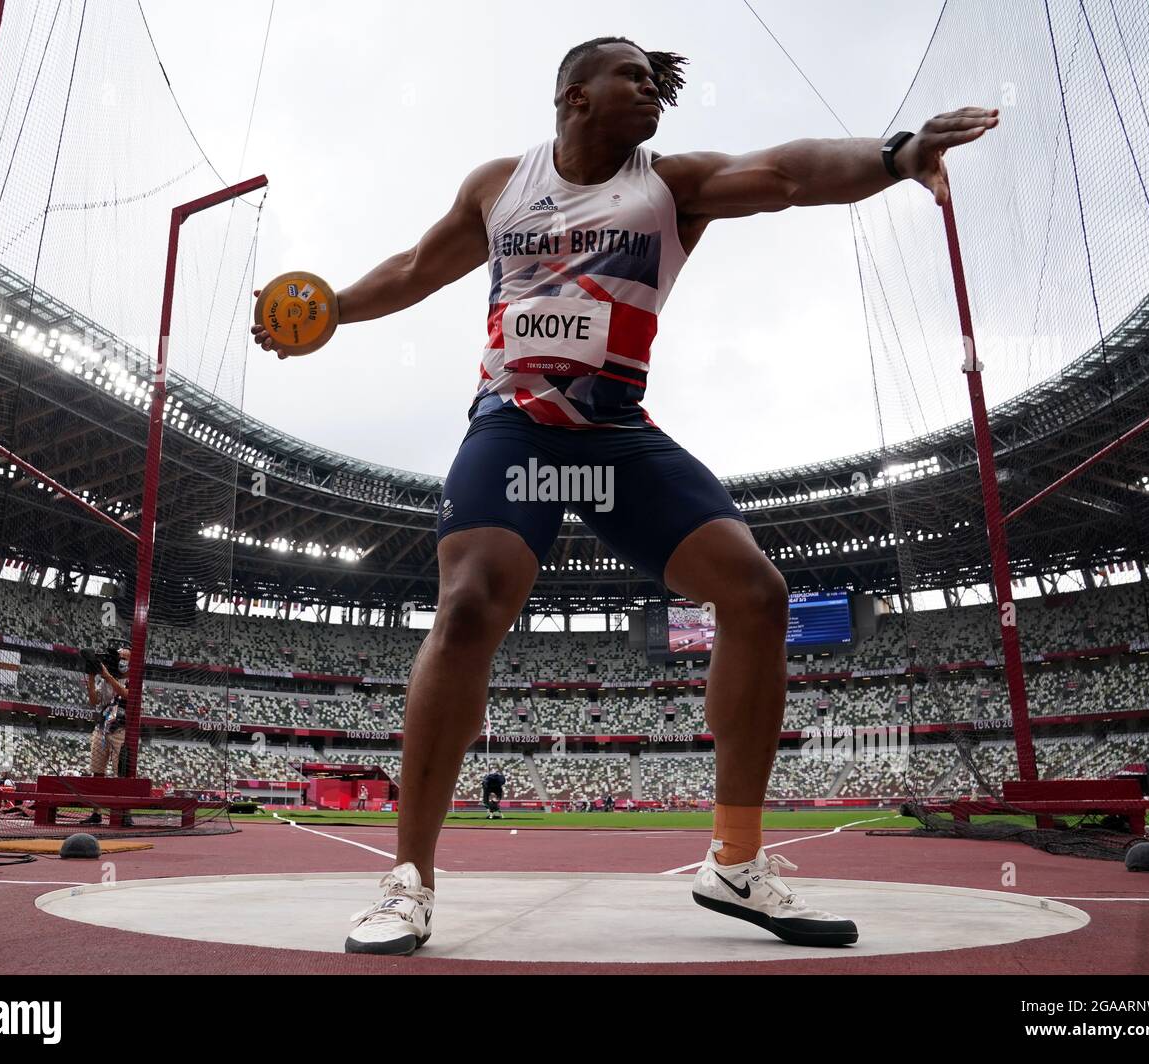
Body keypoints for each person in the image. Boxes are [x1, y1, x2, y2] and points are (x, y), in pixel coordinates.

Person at [254, 36, 996, 956]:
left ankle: (733, 862)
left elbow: (785, 174)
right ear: (574, 95)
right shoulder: (499, 184)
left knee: (758, 594)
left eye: (656, 82)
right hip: (514, 431)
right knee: (469, 605)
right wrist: (332, 309)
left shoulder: (668, 185)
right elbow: (414, 268)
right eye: (633, 79)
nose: (652, 94)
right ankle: (408, 881)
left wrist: (895, 156)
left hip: (613, 437)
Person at [81, 646, 133, 827]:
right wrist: (91, 675)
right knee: (97, 771)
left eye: (125, 658)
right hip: (102, 728)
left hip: (122, 731)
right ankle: (96, 812)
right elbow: (94, 701)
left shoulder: (135, 680)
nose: (121, 661)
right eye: (120, 657)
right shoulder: (105, 679)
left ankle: (123, 812)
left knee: (121, 773)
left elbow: (127, 695)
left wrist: (107, 676)